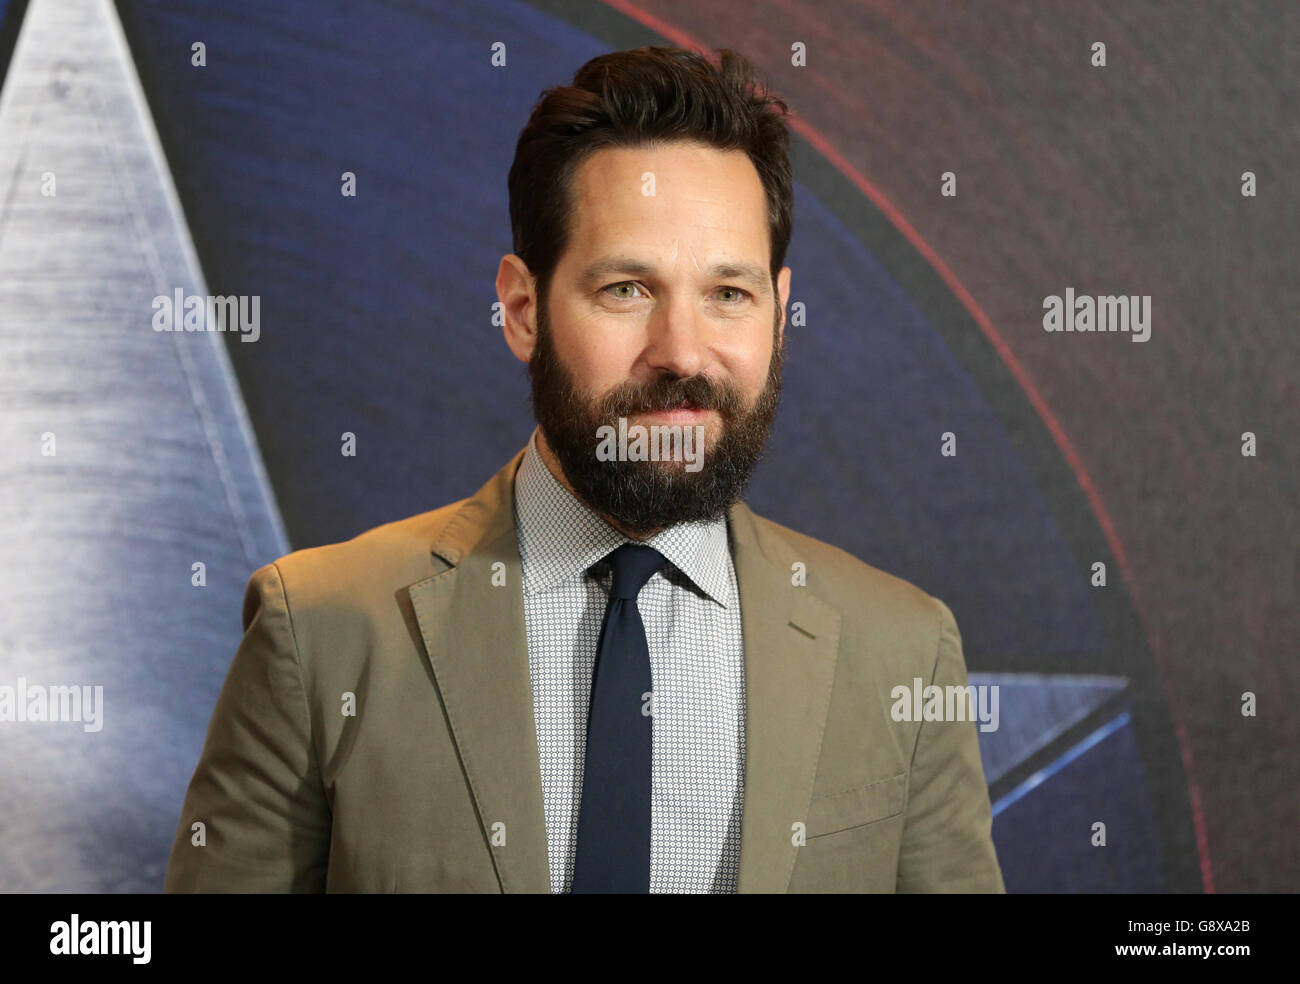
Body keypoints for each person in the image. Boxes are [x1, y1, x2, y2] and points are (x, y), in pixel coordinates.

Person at [165, 45, 1004, 894]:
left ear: (780, 315)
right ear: (523, 310)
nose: (681, 353)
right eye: (627, 290)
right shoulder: (319, 634)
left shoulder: (903, 652)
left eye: (729, 295)